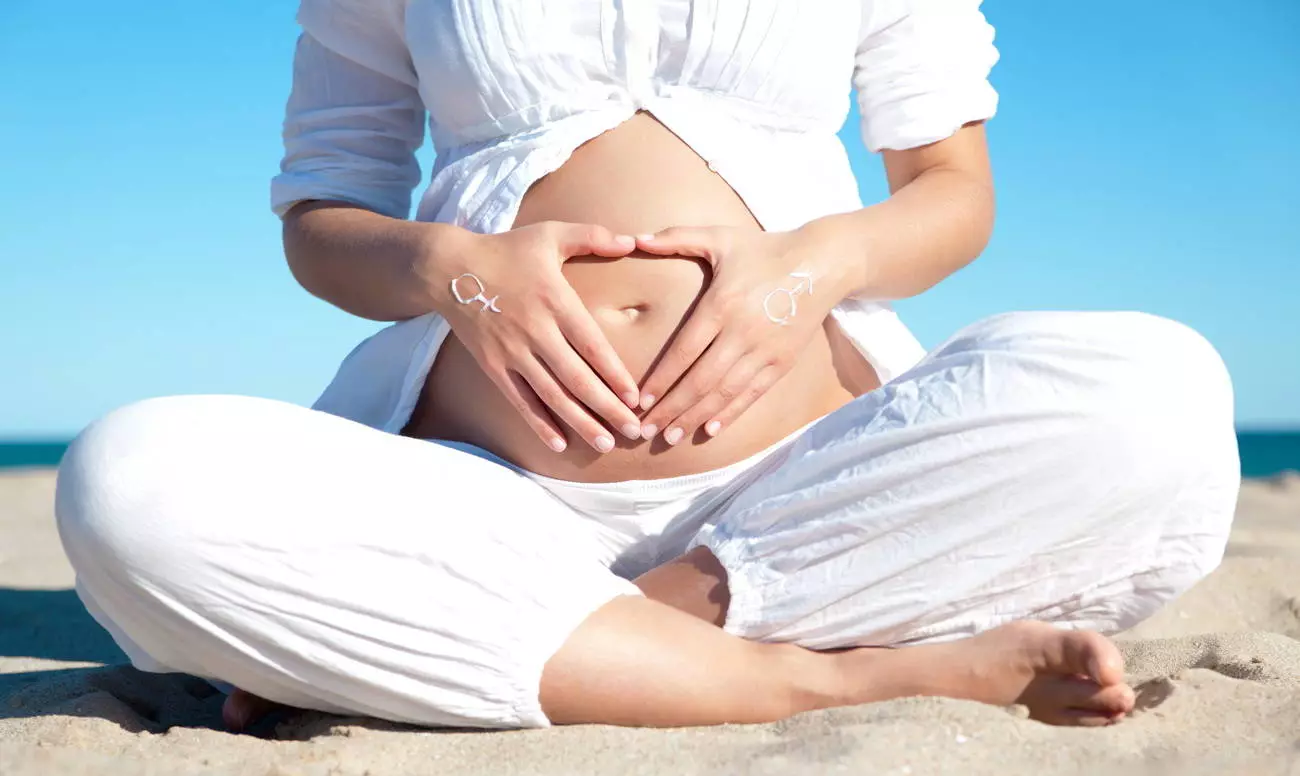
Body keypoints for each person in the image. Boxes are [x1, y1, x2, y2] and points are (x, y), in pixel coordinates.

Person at [55, 0, 1240, 733]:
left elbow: (952, 193)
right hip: (482, 500)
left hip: (812, 495)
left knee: (1156, 390)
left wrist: (808, 270)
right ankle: (819, 681)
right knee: (128, 477)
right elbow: (322, 218)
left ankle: (540, 643)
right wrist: (456, 271)